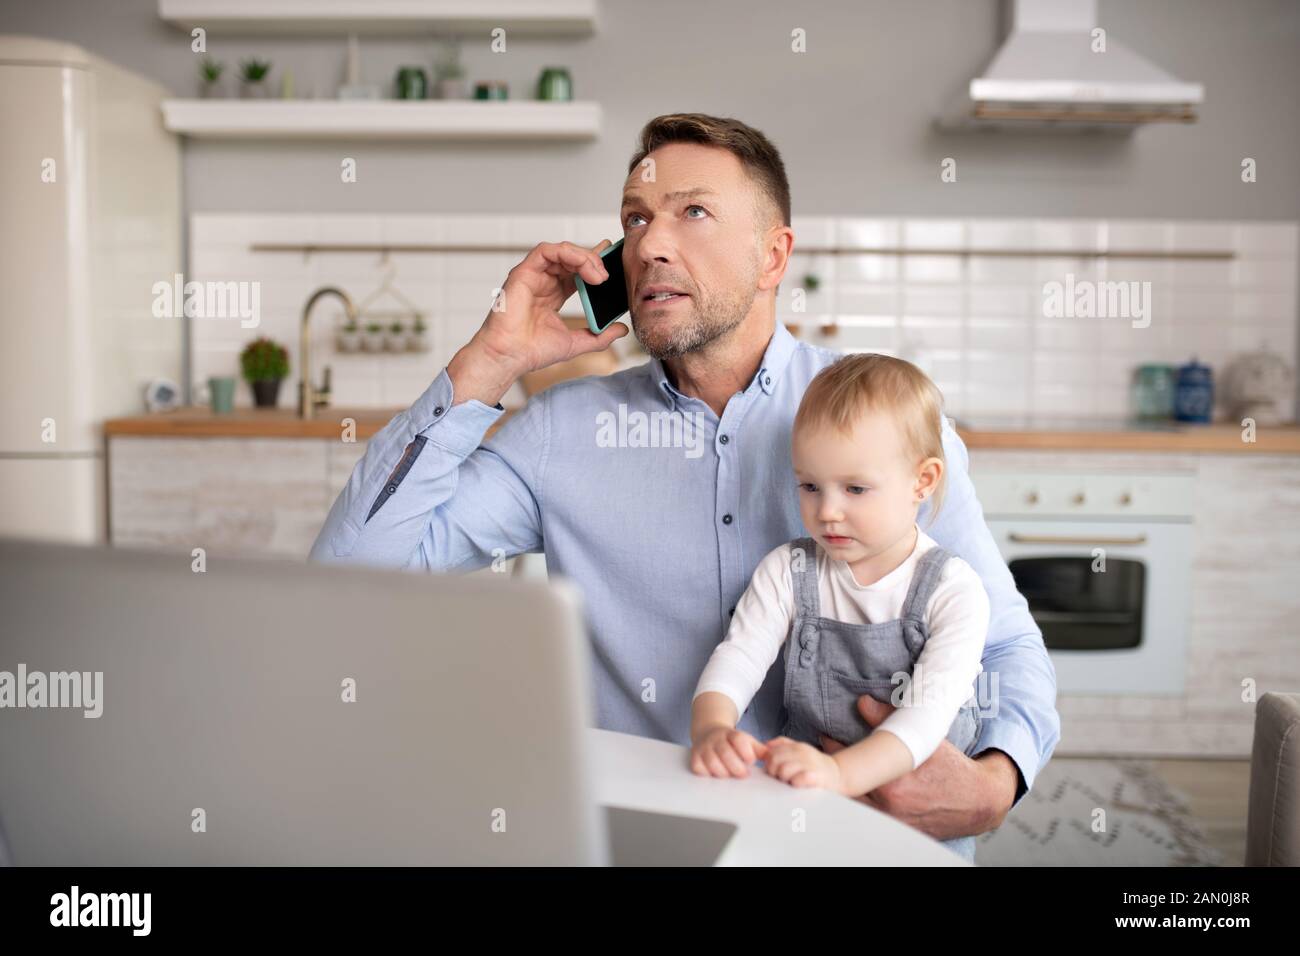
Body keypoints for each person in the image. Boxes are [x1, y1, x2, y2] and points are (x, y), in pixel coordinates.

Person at [310, 113, 1060, 857]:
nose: (651, 244)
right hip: (652, 842)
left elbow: (1003, 645)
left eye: (692, 212)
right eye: (635, 220)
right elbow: (348, 581)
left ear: (774, 257)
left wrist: (995, 785)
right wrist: (489, 359)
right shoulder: (558, 433)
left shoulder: (886, 420)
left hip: (862, 842)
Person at [690, 353, 991, 860]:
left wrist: (841, 774)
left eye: (855, 488)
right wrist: (712, 728)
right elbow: (739, 656)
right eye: (810, 486)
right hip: (809, 802)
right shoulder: (788, 571)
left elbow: (924, 719)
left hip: (917, 826)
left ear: (923, 481)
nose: (827, 511)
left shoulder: (953, 591)